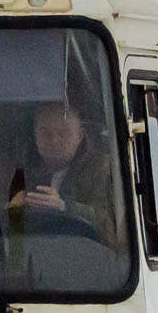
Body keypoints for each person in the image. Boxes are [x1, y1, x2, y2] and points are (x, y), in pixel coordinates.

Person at [8, 102, 115, 244]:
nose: (54, 140)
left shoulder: (102, 171)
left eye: (64, 133)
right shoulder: (20, 173)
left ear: (80, 135)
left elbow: (114, 230)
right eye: (45, 133)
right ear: (34, 135)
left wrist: (64, 207)